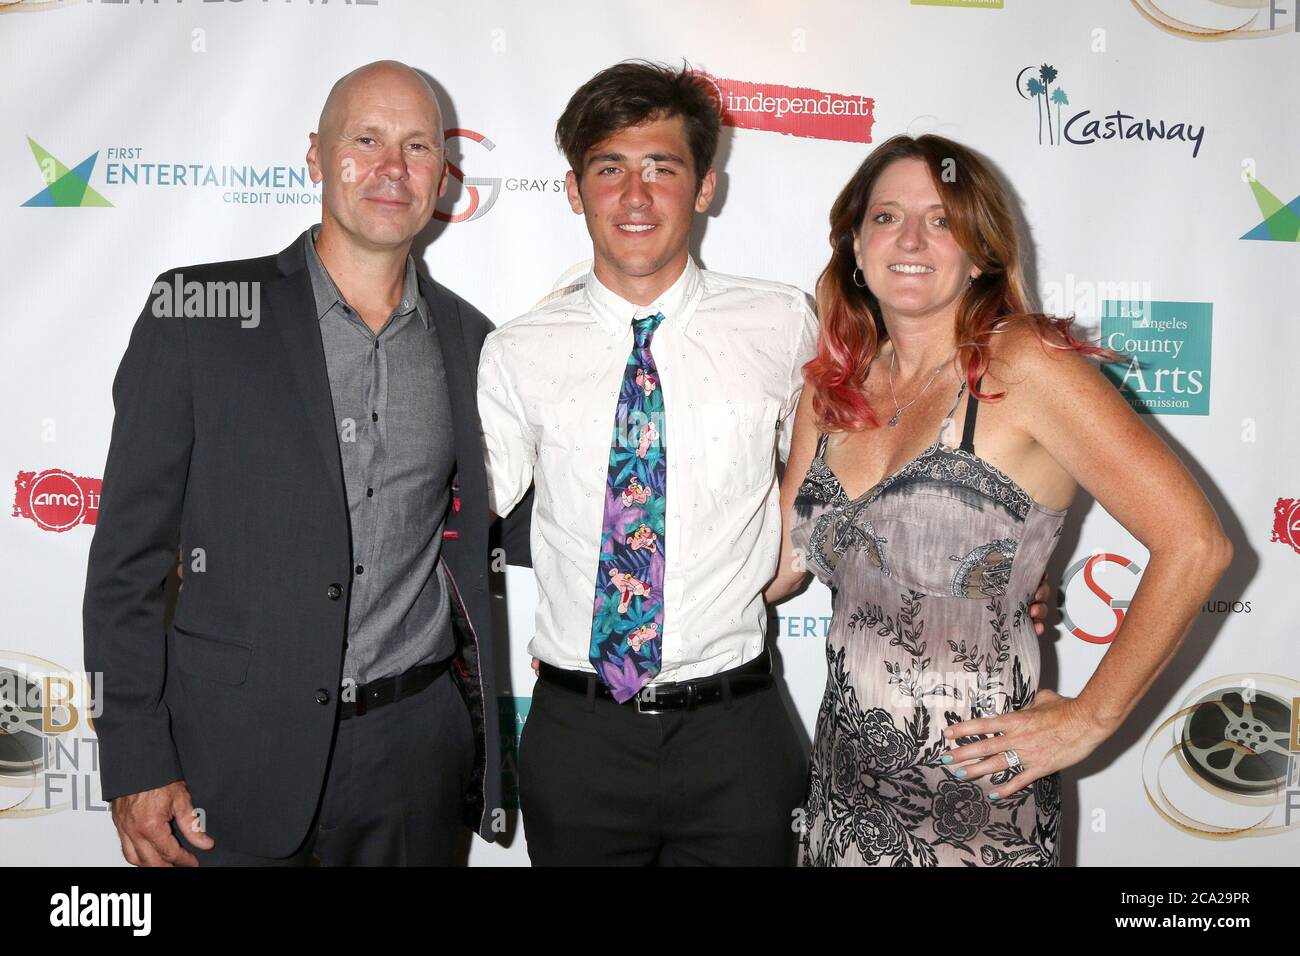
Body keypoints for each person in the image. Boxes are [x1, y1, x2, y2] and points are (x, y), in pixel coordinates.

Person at [477, 64, 1055, 866]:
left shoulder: (783, 325)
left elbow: (869, 474)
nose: (636, 195)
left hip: (736, 732)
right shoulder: (516, 351)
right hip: (578, 731)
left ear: (706, 186)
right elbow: (458, 523)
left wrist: (984, 574)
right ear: (575, 191)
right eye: (609, 168)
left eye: (663, 168)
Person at [83, 60, 525, 866]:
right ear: (316, 157)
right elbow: (125, 563)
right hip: (230, 757)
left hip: (415, 762)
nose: (393, 167)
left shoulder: (474, 343)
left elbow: (517, 520)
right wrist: (137, 756)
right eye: (366, 139)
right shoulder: (198, 313)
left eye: (418, 146)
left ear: (443, 179)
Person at [767, 134, 1232, 866]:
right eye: (886, 217)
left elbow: (1196, 544)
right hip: (842, 797)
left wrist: (1089, 719)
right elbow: (778, 569)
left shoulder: (1023, 363)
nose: (912, 238)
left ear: (980, 251)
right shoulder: (830, 392)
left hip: (977, 800)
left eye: (941, 219)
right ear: (856, 247)